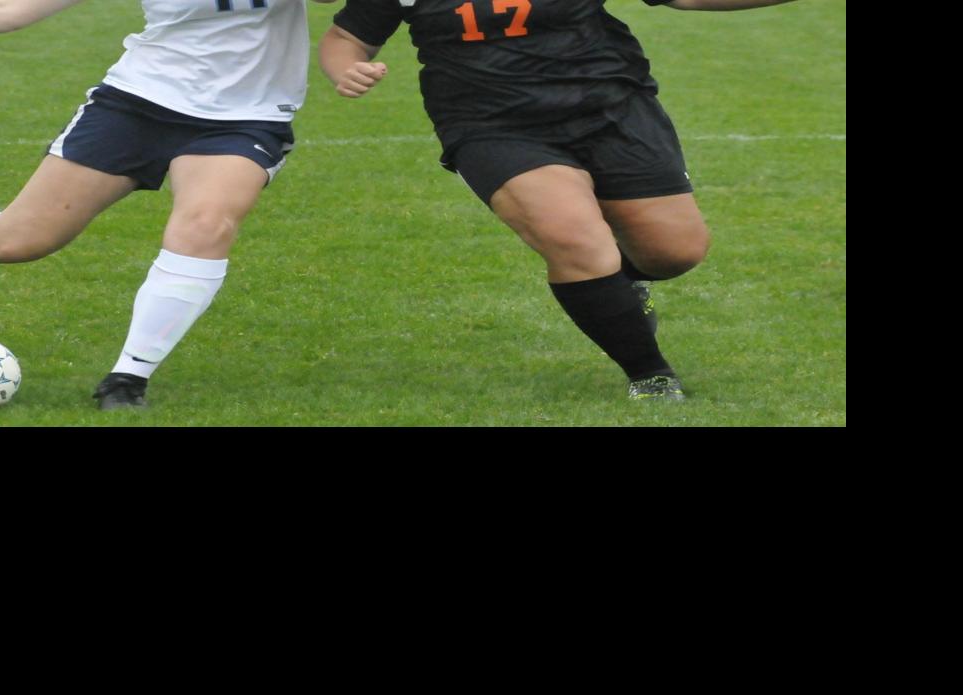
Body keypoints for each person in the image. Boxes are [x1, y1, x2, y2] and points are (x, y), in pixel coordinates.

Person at [0, 0, 335, 410]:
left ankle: (126, 380)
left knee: (206, 225)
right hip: (135, 105)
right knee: (13, 242)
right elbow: (11, 11)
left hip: (246, 118)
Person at [319, 0, 798, 401]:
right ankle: (650, 375)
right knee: (574, 240)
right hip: (489, 122)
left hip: (610, 105)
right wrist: (347, 70)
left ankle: (619, 287)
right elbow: (346, 37)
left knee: (674, 252)